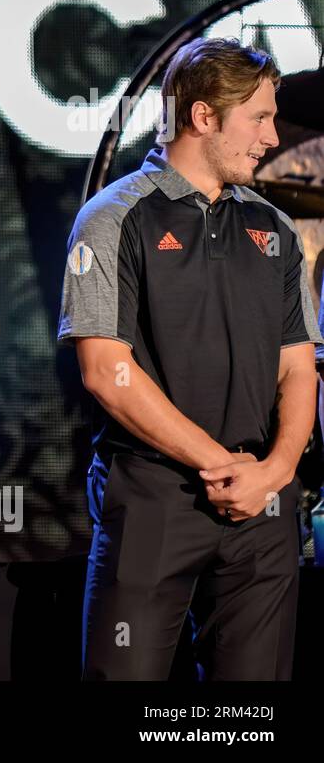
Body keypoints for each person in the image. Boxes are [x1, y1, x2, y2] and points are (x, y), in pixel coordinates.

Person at [60, 36, 318, 680]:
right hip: (154, 497)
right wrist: (219, 465)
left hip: (262, 503)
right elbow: (104, 371)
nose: (272, 134)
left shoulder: (276, 231)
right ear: (204, 117)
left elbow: (298, 367)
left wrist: (275, 470)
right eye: (259, 117)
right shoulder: (114, 218)